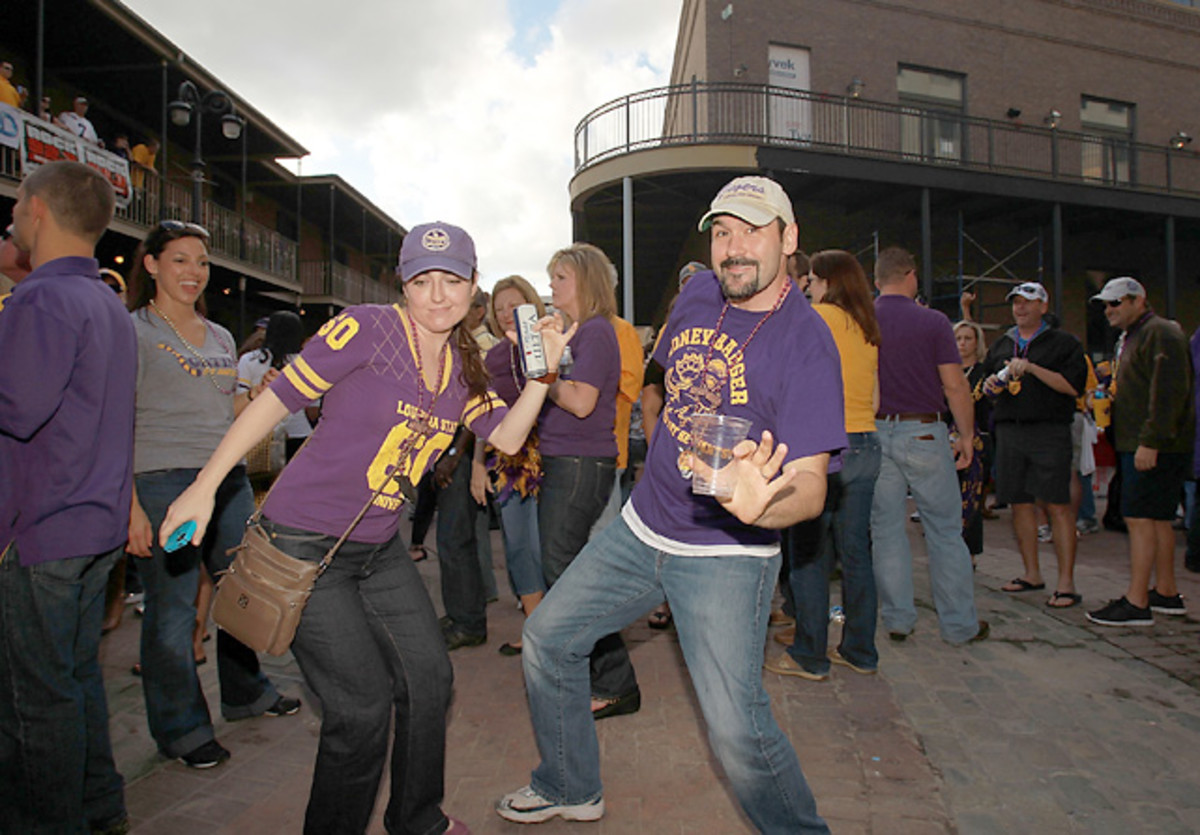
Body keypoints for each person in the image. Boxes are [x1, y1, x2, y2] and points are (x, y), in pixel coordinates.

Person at [162, 221, 572, 835]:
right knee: (360, 711)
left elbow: (508, 437)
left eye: (452, 280)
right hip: (304, 548)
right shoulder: (368, 328)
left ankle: (416, 818)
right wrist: (204, 485)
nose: (438, 295)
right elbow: (279, 401)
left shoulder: (465, 364)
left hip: (378, 550)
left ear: (472, 285)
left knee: (430, 680)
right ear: (402, 283)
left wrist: (542, 376)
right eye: (422, 280)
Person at [496, 176, 845, 832]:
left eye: (753, 230)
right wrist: (558, 344)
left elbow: (812, 484)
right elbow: (660, 379)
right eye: (722, 232)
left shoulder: (806, 340)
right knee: (547, 638)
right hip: (640, 525)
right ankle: (570, 783)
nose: (734, 248)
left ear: (789, 238)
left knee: (737, 729)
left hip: (726, 554)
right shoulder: (698, 291)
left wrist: (759, 507)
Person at [125, 220, 301, 770]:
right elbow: (116, 420)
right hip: (162, 482)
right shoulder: (131, 331)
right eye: (179, 260)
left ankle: (246, 693)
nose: (193, 272)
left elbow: (225, 413)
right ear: (152, 264)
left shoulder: (222, 337)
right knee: (174, 611)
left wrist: (259, 396)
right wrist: (130, 506)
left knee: (240, 589)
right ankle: (181, 729)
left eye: (200, 262)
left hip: (224, 481)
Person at [0, 161, 133, 835]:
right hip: (94, 528)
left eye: (17, 207)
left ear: (40, 211)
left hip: (42, 530)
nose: (12, 220)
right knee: (76, 682)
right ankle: (99, 806)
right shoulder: (107, 303)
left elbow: (17, 408)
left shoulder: (41, 299)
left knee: (32, 704)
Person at [766, 249, 881, 681]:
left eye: (812, 279)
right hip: (867, 443)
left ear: (827, 282)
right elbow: (874, 399)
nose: (806, 286)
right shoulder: (867, 327)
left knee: (809, 555)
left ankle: (810, 653)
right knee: (856, 556)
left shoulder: (814, 319)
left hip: (825, 445)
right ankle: (860, 650)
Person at [537, 242, 636, 718]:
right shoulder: (584, 331)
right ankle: (606, 678)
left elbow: (579, 402)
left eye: (560, 276)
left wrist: (542, 378)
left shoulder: (595, 333)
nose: (552, 284)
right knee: (570, 575)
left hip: (579, 463)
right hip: (573, 462)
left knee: (568, 578)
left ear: (585, 282)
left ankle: (614, 682)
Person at [871, 246, 987, 644]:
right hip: (924, 431)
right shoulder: (933, 322)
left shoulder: (863, 319)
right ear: (911, 276)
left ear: (876, 280)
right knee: (943, 530)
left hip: (876, 430)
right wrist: (967, 436)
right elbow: (955, 385)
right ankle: (958, 625)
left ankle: (898, 619)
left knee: (886, 530)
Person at [1086, 277, 1195, 626]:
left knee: (1140, 517)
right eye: (1105, 304)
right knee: (1158, 517)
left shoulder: (1160, 333)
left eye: (1116, 303)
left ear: (1138, 301)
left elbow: (1168, 393)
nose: (1109, 311)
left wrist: (1151, 441)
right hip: (1143, 441)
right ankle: (1165, 591)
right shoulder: (1136, 336)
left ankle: (1136, 602)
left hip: (1152, 445)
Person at [980, 282, 1087, 608]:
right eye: (1016, 303)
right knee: (1019, 503)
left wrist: (1033, 369)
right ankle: (1031, 573)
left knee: (1056, 504)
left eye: (1027, 302)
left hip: (1049, 431)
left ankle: (1066, 582)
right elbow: (987, 387)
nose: (1020, 309)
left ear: (1043, 305)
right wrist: (990, 387)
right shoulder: (1002, 343)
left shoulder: (1064, 343)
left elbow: (1072, 387)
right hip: (1011, 431)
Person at [474, 275, 549, 654]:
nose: (505, 314)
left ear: (531, 304)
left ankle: (556, 629)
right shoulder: (492, 357)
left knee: (550, 547)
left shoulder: (548, 341)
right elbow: (483, 417)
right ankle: (536, 631)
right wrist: (476, 465)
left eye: (513, 305)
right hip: (509, 461)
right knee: (519, 547)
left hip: (551, 456)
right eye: (498, 308)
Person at [237, 310, 317, 460]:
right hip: (299, 434)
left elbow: (240, 396)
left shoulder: (249, 359)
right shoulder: (306, 364)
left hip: (260, 435)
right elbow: (312, 410)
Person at [953, 319, 990, 562]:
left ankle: (970, 554)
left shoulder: (985, 373)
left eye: (968, 339)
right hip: (947, 441)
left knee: (972, 500)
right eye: (958, 339)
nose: (963, 344)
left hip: (978, 441)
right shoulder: (947, 372)